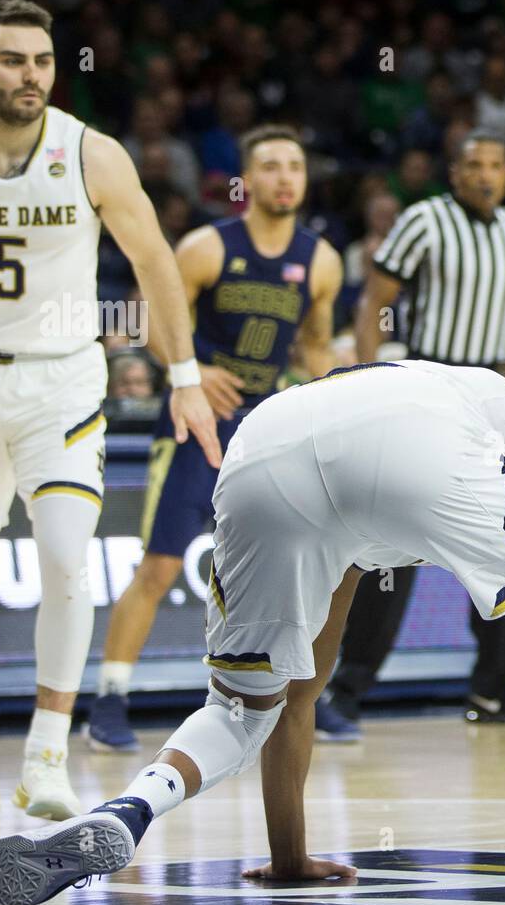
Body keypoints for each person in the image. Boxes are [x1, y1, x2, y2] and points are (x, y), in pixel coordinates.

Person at [0, 360, 505, 905]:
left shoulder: (343, 412)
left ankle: (126, 812)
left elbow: (299, 693)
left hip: (259, 459)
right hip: (413, 447)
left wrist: (289, 863)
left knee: (246, 704)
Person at [0, 0, 220, 821]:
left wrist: (182, 372)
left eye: (41, 61)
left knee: (68, 558)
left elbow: (155, 263)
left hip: (63, 383)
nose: (30, 75)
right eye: (11, 61)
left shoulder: (93, 156)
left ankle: (46, 755)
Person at [85, 125, 339, 751]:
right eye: (272, 166)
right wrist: (191, 372)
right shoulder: (206, 247)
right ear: (246, 181)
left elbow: (314, 347)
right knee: (162, 562)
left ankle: (307, 693)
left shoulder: (323, 260)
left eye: (295, 166)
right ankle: (110, 700)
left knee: (303, 567)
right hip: (197, 421)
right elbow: (148, 319)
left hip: (268, 427)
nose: (285, 177)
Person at [320, 130, 505, 735]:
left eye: (496, 165)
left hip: (496, 398)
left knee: (501, 542)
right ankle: (345, 694)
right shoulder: (424, 220)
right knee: (395, 547)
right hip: (428, 385)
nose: (486, 175)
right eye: (474, 165)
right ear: (453, 173)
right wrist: (367, 377)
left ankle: (491, 691)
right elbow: (377, 297)